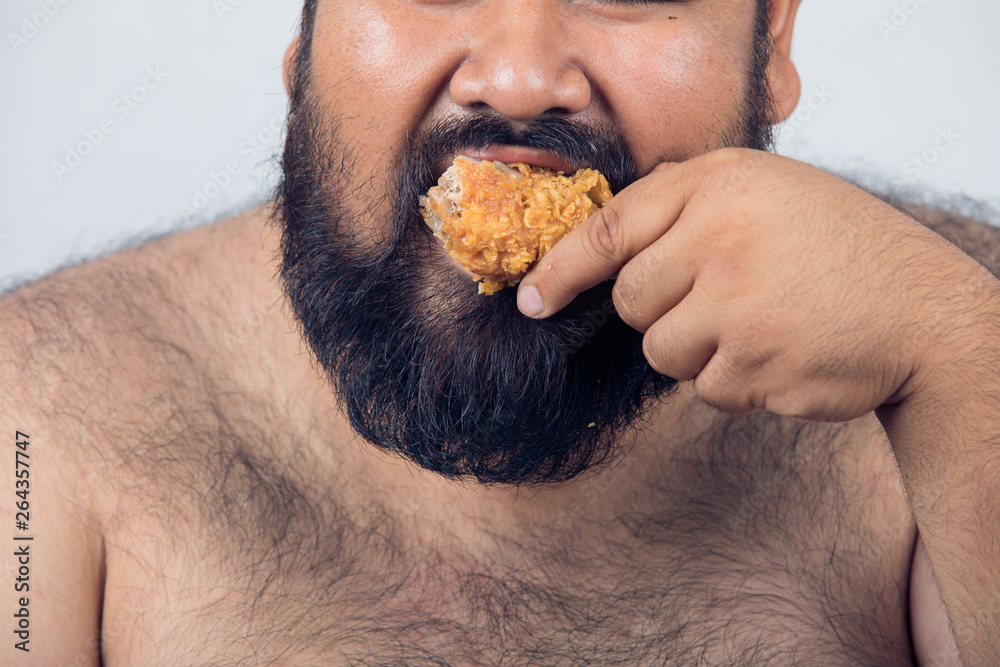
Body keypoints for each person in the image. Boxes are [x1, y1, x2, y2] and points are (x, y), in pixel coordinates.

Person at [3, 0, 998, 664]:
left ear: (770, 41)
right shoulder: (41, 412)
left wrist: (957, 357)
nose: (520, 80)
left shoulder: (957, 327)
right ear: (306, 35)